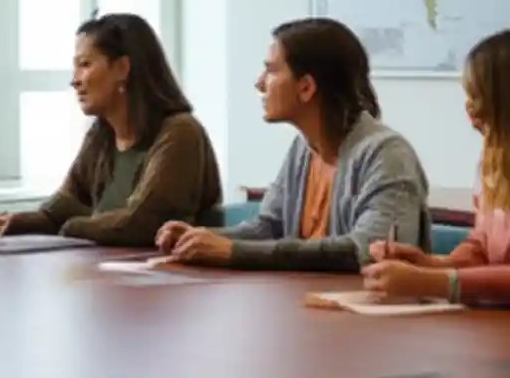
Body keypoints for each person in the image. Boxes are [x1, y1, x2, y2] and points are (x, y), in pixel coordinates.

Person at [157, 17, 430, 271]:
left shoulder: (387, 155)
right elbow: (269, 228)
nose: (259, 83)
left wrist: (233, 250)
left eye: (271, 71)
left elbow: (367, 250)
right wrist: (200, 239)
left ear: (306, 87)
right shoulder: (302, 149)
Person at [0, 13, 223, 246]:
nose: (75, 79)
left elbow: (142, 224)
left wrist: (72, 227)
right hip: (110, 280)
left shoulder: (180, 132)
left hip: (172, 287)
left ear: (123, 68)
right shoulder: (101, 134)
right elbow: (59, 210)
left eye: (85, 64)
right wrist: (11, 222)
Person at [360, 29, 510, 304]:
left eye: (479, 97)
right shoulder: (492, 164)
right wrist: (430, 265)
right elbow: (482, 246)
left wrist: (436, 282)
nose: (470, 110)